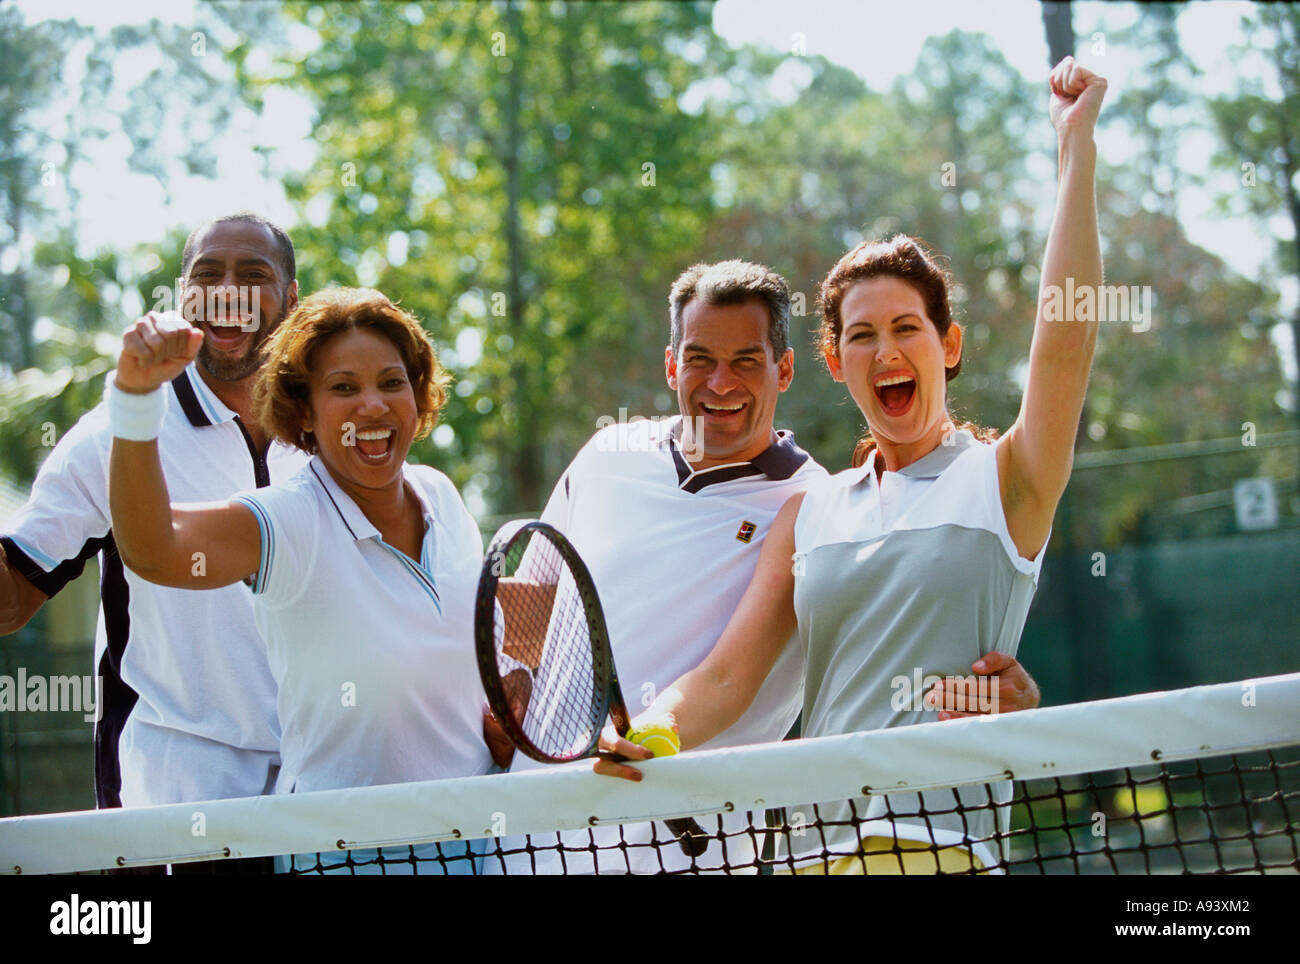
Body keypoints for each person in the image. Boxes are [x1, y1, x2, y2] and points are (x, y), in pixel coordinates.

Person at [599, 57, 1108, 875]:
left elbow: (1068, 333)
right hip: (805, 852)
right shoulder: (812, 512)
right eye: (861, 336)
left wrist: (1075, 149)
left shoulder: (1006, 480)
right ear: (836, 362)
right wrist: (651, 729)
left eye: (907, 328)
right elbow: (727, 676)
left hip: (940, 849)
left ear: (948, 346)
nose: (886, 350)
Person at [486, 259, 1040, 875]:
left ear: (785, 368)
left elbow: (903, 615)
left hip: (702, 857)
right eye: (699, 359)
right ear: (672, 364)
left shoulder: (817, 509)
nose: (721, 383)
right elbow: (532, 596)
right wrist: (512, 689)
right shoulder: (604, 455)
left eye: (746, 361)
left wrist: (1008, 683)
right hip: (529, 838)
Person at [105, 287, 492, 873]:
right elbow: (155, 549)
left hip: (481, 838)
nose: (373, 405)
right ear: (303, 411)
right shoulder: (288, 521)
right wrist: (136, 398)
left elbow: (464, 642)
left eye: (392, 382)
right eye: (343, 387)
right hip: (346, 857)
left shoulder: (440, 492)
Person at [0, 214, 305, 847]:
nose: (229, 290)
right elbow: (11, 597)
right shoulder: (115, 433)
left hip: (318, 788)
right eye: (207, 274)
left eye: (254, 275)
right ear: (182, 294)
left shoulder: (327, 430)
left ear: (291, 300)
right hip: (173, 796)